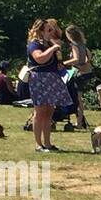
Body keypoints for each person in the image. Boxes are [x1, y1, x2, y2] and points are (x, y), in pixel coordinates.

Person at [25, 18, 73, 152]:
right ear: (41, 31)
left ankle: (47, 143)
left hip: (52, 78)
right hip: (39, 79)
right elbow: (39, 59)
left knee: (49, 111)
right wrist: (52, 48)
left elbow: (52, 58)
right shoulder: (34, 44)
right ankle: (38, 144)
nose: (51, 32)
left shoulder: (48, 44)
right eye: (48, 30)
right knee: (40, 111)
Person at [63, 24, 93, 128]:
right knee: (79, 98)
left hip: (80, 73)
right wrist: (85, 64)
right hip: (87, 72)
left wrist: (64, 63)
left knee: (78, 98)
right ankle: (81, 120)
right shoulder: (83, 45)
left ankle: (79, 122)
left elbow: (75, 59)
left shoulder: (74, 45)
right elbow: (89, 57)